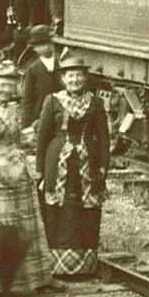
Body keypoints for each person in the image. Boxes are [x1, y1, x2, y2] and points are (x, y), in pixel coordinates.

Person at [0, 61, 57, 297]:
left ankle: (36, 279)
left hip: (17, 171)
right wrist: (6, 169)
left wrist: (32, 134)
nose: (6, 88)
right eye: (2, 83)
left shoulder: (10, 108)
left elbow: (15, 138)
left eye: (11, 83)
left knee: (23, 226)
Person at [36, 55, 109, 278]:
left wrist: (104, 165)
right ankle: (57, 267)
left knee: (85, 208)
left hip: (87, 163)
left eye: (79, 75)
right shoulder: (52, 101)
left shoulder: (95, 103)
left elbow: (104, 137)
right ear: (62, 78)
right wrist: (39, 169)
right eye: (70, 75)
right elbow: (43, 138)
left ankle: (84, 266)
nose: (75, 80)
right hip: (58, 163)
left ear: (85, 78)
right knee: (59, 208)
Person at [19, 24, 60, 132]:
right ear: (34, 48)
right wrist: (26, 126)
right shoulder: (33, 69)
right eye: (39, 45)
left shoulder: (61, 63)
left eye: (47, 43)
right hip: (41, 116)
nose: (45, 47)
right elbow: (28, 98)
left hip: (60, 114)